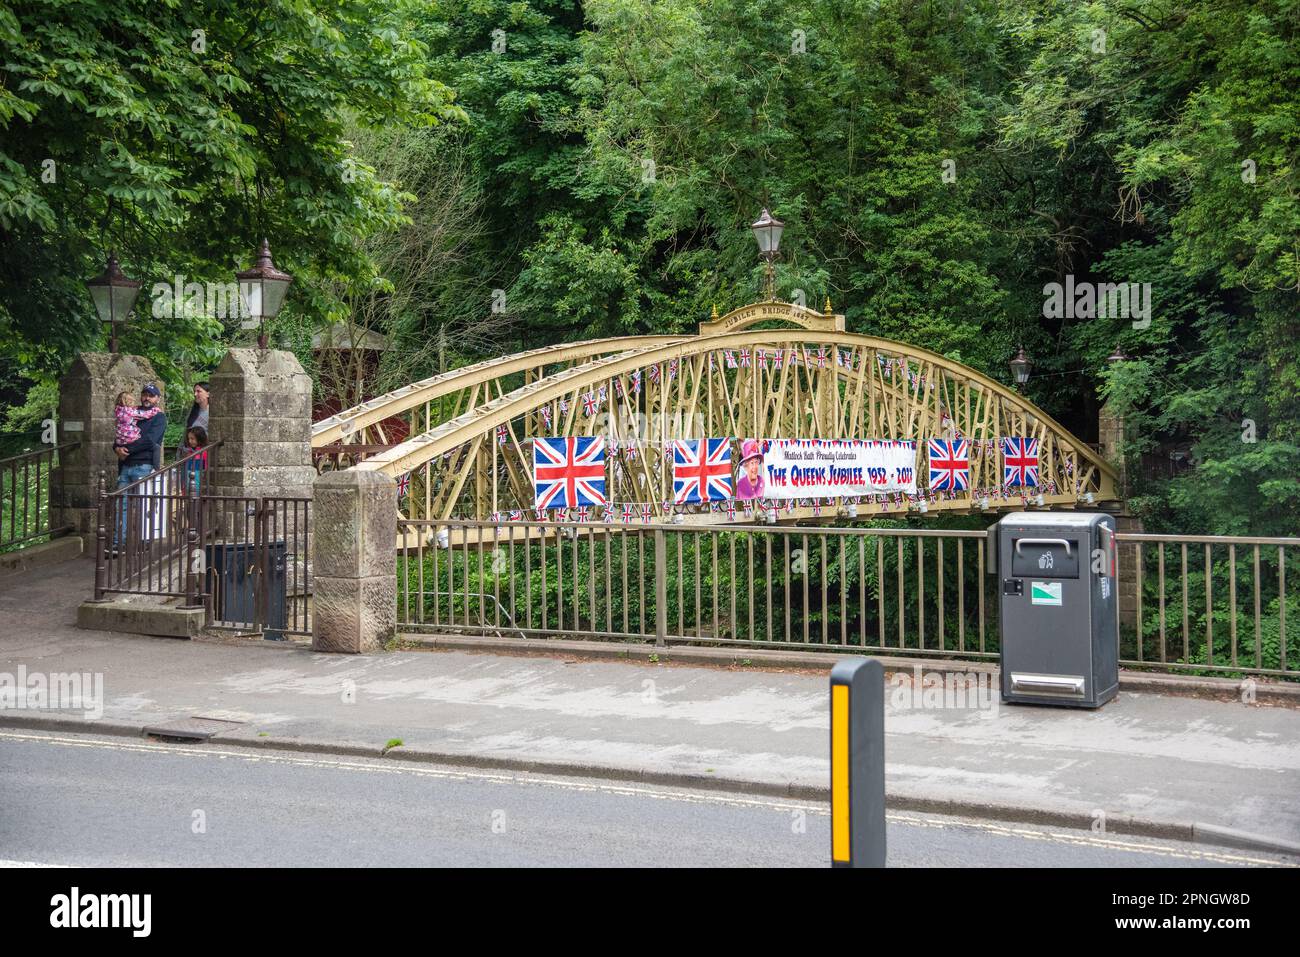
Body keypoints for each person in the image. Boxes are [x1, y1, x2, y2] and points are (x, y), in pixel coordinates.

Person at [112, 384, 166, 549]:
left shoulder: (158, 417)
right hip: (126, 465)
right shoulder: (131, 413)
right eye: (144, 394)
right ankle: (118, 543)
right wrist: (116, 448)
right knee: (120, 504)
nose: (147, 398)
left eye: (151, 395)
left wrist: (127, 449)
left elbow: (151, 440)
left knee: (145, 505)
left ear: (157, 398)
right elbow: (121, 434)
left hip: (144, 464)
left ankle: (145, 541)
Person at [181, 381, 210, 458]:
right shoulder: (192, 411)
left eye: (199, 391)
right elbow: (186, 432)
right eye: (194, 391)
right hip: (189, 453)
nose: (195, 394)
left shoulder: (213, 413)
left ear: (208, 393)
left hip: (204, 454)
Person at [182, 426, 208, 494]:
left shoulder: (204, 453)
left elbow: (205, 470)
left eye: (192, 439)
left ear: (200, 438)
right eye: (189, 439)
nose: (190, 441)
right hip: (188, 484)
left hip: (197, 486)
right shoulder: (189, 452)